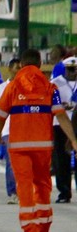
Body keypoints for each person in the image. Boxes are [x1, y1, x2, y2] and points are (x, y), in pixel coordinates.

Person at [0, 49, 77, 232]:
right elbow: (61, 115)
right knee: (42, 184)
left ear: (21, 65)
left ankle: (30, 229)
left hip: (19, 147)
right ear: (39, 64)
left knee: (24, 186)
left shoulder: (12, 87)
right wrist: (73, 139)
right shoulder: (49, 87)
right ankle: (44, 227)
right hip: (42, 146)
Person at [0, 58, 22, 204]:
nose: (19, 71)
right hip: (8, 130)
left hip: (24, 130)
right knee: (11, 163)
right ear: (9, 69)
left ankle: (24, 191)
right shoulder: (1, 89)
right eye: (17, 68)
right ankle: (13, 192)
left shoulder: (25, 87)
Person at [49, 56, 77, 203]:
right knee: (61, 159)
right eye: (71, 69)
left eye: (75, 69)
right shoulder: (56, 83)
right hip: (59, 124)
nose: (73, 72)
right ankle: (64, 191)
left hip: (76, 123)